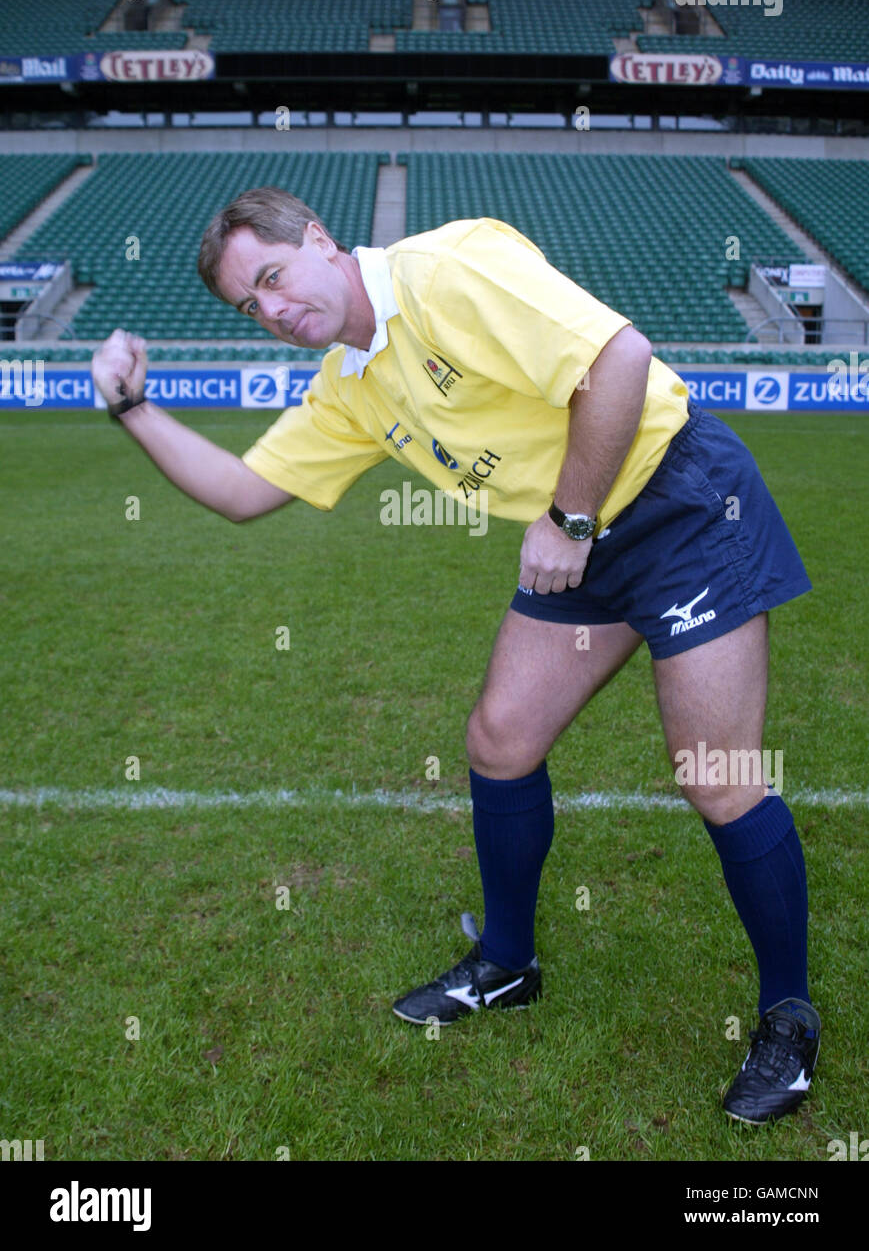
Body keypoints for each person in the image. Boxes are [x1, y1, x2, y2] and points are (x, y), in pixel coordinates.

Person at [92, 185, 820, 1125]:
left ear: (319, 238)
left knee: (716, 776)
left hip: (678, 503)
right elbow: (240, 490)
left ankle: (788, 1017)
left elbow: (620, 358)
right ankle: (508, 963)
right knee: (501, 739)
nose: (269, 310)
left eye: (271, 277)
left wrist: (566, 518)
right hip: (583, 530)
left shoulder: (445, 270)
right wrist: (132, 408)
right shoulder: (350, 382)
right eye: (248, 304)